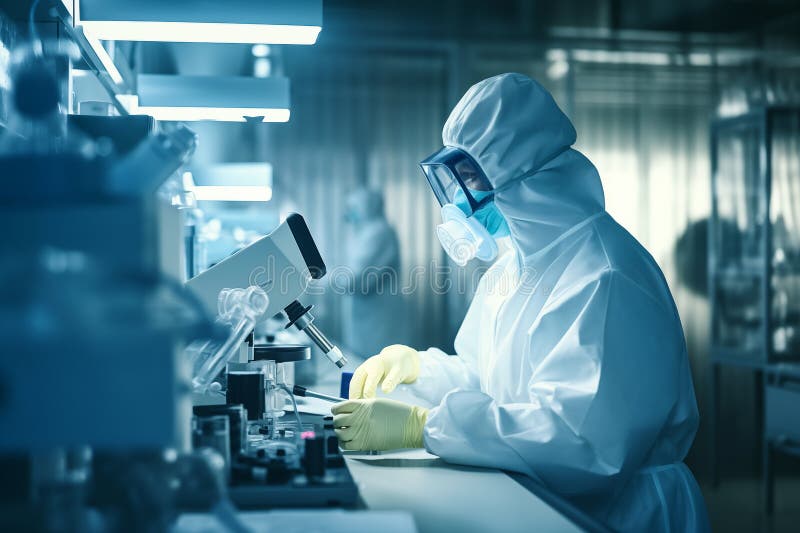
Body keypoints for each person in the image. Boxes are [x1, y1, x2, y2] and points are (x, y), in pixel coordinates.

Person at [332, 73, 709, 532]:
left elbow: (579, 443)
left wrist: (423, 424)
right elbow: (485, 378)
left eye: (471, 178)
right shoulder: (515, 264)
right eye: (456, 178)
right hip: (541, 498)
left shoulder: (604, 275)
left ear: (525, 176)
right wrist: (418, 370)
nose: (460, 202)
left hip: (621, 514)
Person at [340, 188, 402, 359]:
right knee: (361, 361)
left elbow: (357, 279)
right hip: (362, 313)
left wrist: (323, 279)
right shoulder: (360, 232)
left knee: (378, 363)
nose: (349, 212)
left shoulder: (379, 232)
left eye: (354, 207)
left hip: (378, 314)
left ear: (367, 207)